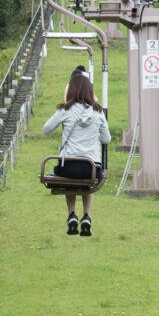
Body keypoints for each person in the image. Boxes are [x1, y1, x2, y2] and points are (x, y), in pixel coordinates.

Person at [42, 71, 110, 236]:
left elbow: (46, 130)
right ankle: (87, 215)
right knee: (87, 182)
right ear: (89, 91)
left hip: (69, 168)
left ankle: (72, 214)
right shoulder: (98, 112)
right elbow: (106, 139)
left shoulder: (65, 110)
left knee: (69, 178)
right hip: (91, 168)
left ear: (70, 90)